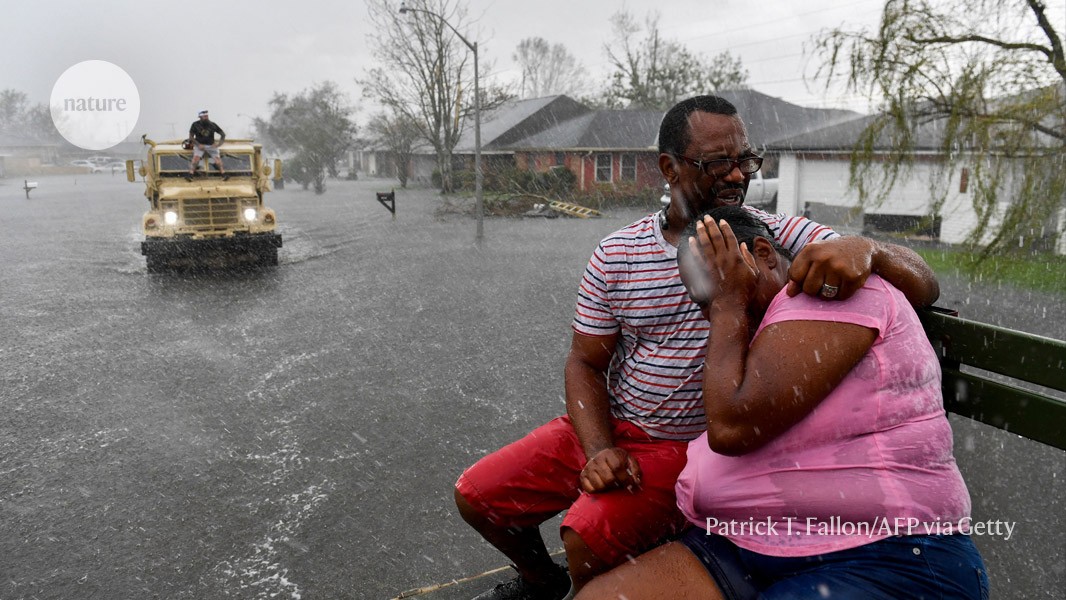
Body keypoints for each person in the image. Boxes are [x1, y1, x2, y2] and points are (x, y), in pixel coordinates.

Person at [454, 95, 941, 599]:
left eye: (745, 160)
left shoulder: (774, 233)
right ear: (669, 167)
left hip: (687, 447)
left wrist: (869, 247)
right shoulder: (618, 253)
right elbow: (585, 360)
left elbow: (924, 284)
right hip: (613, 423)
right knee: (478, 496)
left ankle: (607, 578)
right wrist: (599, 447)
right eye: (717, 163)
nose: (737, 175)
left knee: (586, 533)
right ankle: (541, 582)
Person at [576, 206, 986, 600]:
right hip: (742, 543)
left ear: (764, 253)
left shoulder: (830, 290)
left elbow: (733, 426)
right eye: (702, 299)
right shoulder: (759, 321)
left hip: (882, 550)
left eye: (719, 283)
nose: (711, 308)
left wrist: (728, 304)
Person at [185, 110, 228, 181]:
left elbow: (222, 134)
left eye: (207, 116)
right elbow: (191, 137)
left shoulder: (212, 125)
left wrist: (218, 144)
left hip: (211, 145)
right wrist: (198, 145)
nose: (206, 117)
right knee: (196, 158)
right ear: (200, 117)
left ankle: (223, 174)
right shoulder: (195, 125)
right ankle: (191, 174)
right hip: (199, 145)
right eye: (204, 116)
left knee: (217, 159)